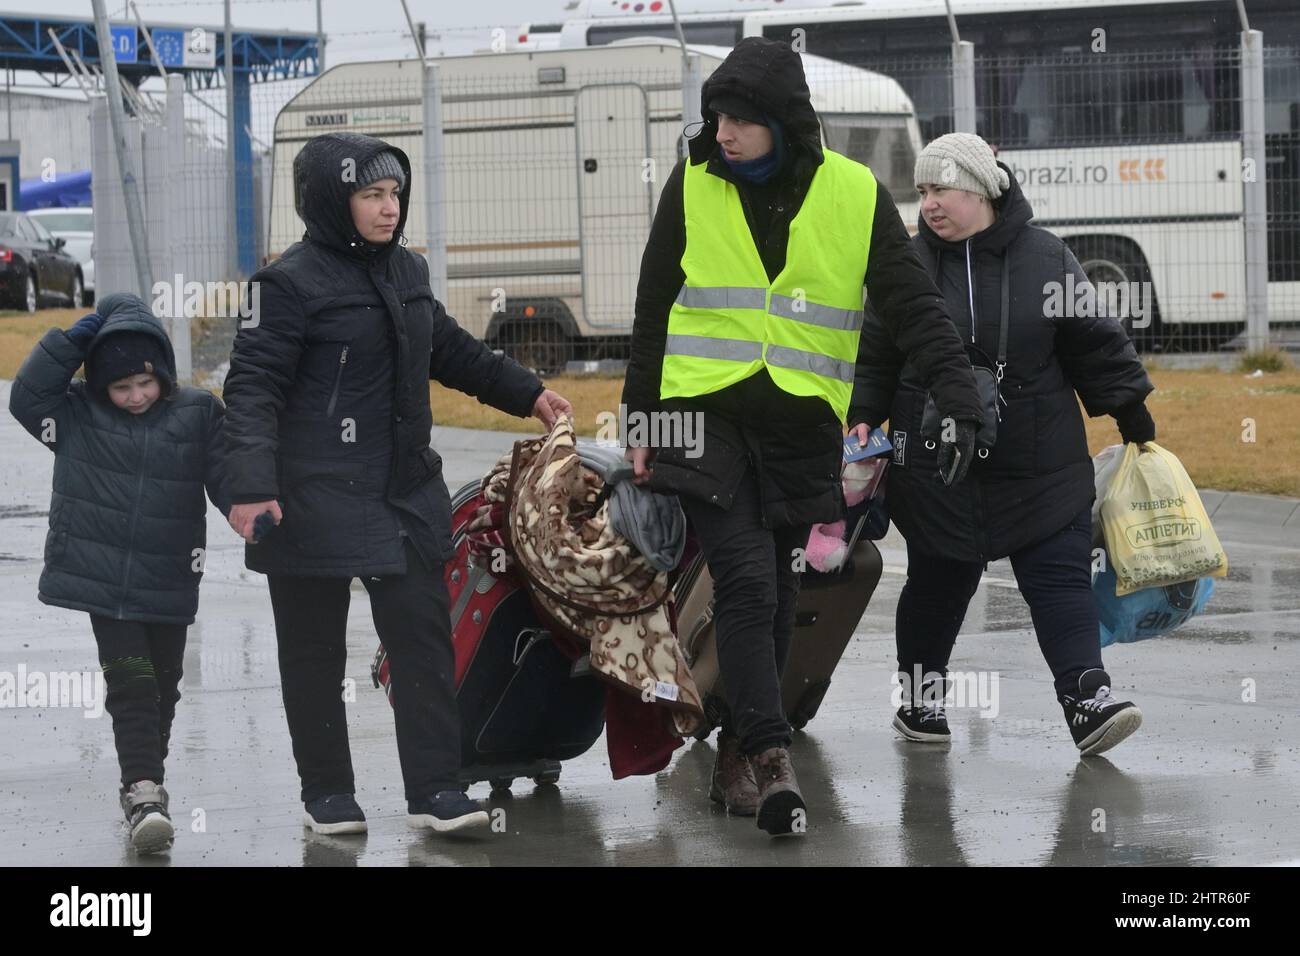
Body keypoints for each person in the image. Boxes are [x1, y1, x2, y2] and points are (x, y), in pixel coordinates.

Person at [622, 38, 982, 835]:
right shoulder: (692, 181)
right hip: (701, 414)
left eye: (742, 120)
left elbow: (911, 304)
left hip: (798, 421)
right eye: (717, 116)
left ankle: (733, 754)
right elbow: (654, 305)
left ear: (784, 123)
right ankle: (774, 759)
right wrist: (641, 419)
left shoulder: (853, 193)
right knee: (748, 578)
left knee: (784, 587)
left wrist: (958, 392)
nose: (724, 133)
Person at [222, 132, 571, 836]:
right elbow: (252, 390)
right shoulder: (283, 286)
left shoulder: (405, 273)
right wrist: (250, 487)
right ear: (330, 201)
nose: (390, 209)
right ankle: (327, 794)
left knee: (422, 641)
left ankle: (436, 792)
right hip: (309, 498)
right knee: (314, 654)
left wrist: (528, 393)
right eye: (371, 195)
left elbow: (451, 350)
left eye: (395, 194)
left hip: (403, 492)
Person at [853, 132, 1155, 756]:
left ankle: (1087, 700)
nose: (930, 203)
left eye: (944, 189)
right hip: (937, 466)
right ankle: (919, 701)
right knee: (938, 585)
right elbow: (876, 355)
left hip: (1040, 466)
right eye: (924, 191)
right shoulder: (904, 265)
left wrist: (1129, 408)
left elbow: (1092, 339)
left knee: (1059, 579)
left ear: (984, 191)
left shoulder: (1046, 258)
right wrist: (863, 420)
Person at [9, 292, 230, 854]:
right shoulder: (76, 414)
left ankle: (144, 779)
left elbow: (231, 475)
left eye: (145, 383)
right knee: (131, 684)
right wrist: (88, 333)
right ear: (100, 384)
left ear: (164, 376)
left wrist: (254, 513)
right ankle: (144, 791)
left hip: (171, 578)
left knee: (164, 687)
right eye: (120, 386)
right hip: (105, 585)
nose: (135, 397)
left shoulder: (197, 413)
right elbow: (27, 394)